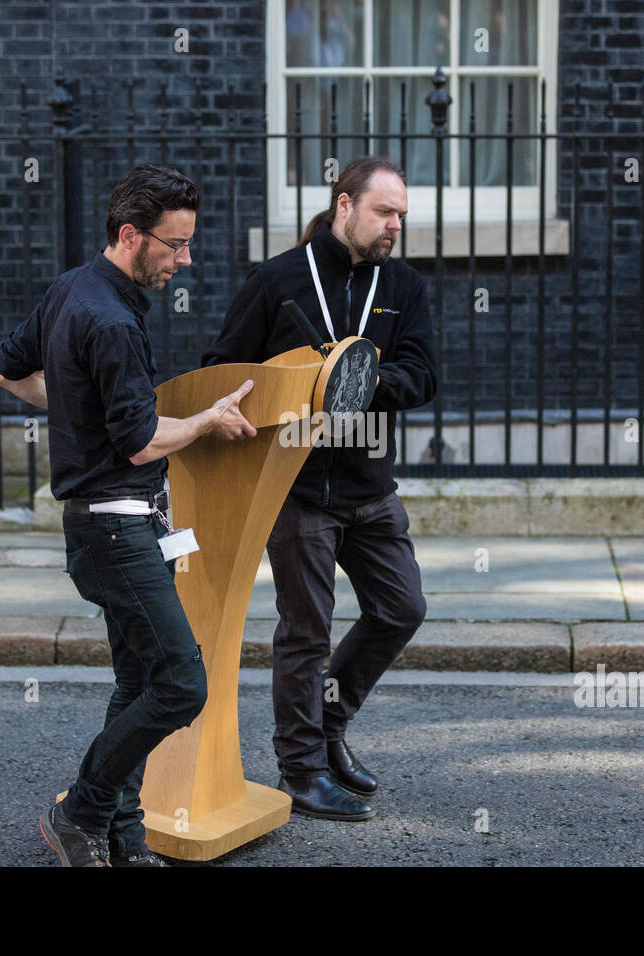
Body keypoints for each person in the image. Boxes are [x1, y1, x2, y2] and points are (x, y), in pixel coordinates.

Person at [0, 164, 257, 866]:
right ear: (131, 235)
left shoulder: (69, 290)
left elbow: (5, 372)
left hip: (105, 524)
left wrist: (78, 414)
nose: (186, 260)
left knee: (139, 681)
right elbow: (141, 441)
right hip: (117, 526)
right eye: (175, 245)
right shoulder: (111, 319)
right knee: (180, 683)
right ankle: (81, 811)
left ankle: (121, 832)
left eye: (189, 242)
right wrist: (207, 419)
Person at [202, 156, 437, 821]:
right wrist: (292, 392)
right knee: (304, 634)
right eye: (384, 212)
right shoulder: (277, 280)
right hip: (296, 487)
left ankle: (329, 726)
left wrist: (362, 384)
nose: (394, 226)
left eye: (401, 216)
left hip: (369, 484)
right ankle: (301, 769)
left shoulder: (404, 285)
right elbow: (224, 371)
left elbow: (424, 374)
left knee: (401, 608)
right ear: (344, 205)